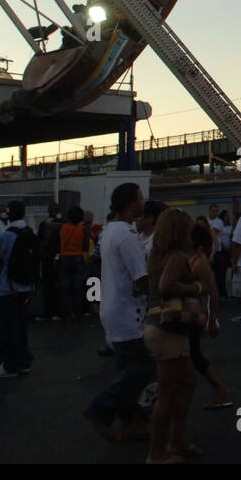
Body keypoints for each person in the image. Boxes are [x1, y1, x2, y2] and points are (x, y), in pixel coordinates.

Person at [84, 183, 153, 443]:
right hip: (128, 313)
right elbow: (142, 278)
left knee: (128, 369)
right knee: (143, 367)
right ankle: (100, 409)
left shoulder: (110, 230)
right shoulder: (126, 235)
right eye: (140, 197)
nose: (143, 200)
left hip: (113, 309)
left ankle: (130, 421)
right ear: (131, 204)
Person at [142, 209, 205, 463]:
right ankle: (157, 453)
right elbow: (166, 286)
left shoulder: (157, 254)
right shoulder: (178, 257)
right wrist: (196, 288)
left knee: (187, 381)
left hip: (158, 326)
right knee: (168, 392)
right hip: (169, 330)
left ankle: (176, 440)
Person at [187, 225, 232, 410]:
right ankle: (218, 388)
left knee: (192, 354)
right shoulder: (191, 258)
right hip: (191, 313)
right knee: (192, 354)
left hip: (195, 314)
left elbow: (213, 293)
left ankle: (219, 387)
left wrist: (212, 320)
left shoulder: (200, 262)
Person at [0, 201, 36, 378]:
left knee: (7, 327)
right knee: (22, 326)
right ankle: (23, 361)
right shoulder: (29, 233)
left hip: (7, 287)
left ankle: (8, 365)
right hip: (26, 286)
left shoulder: (6, 235)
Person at [57, 206, 91, 320]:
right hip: (77, 257)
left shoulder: (62, 227)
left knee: (64, 287)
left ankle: (64, 315)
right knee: (78, 288)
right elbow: (85, 247)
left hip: (64, 257)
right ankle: (79, 314)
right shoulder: (83, 229)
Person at [35, 204, 63, 321]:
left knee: (50, 285)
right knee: (53, 285)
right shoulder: (62, 224)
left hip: (49, 257)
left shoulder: (44, 224)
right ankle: (55, 311)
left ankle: (50, 312)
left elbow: (39, 240)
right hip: (53, 257)